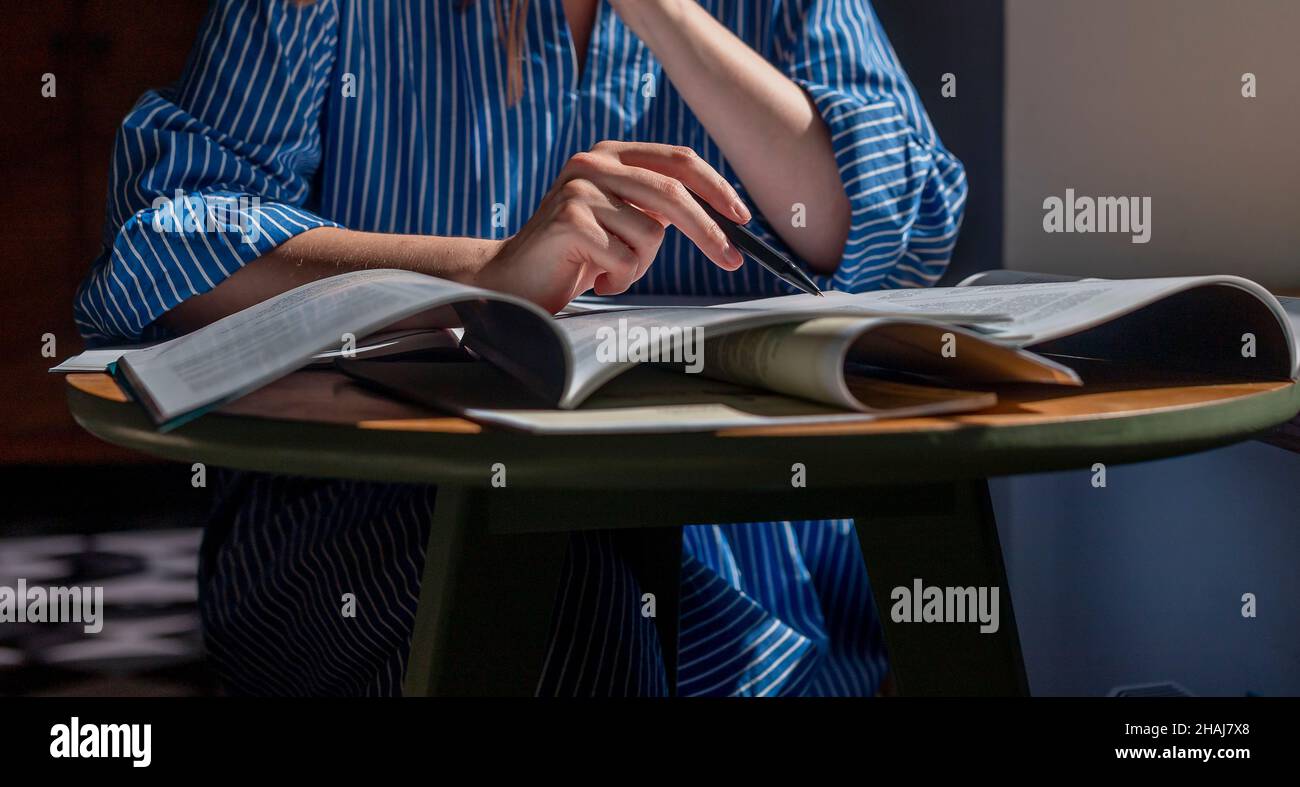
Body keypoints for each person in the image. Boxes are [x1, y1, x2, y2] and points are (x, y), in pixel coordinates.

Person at [76, 0, 966, 696]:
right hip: (374, 525)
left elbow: (911, 222)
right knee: (551, 595)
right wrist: (486, 275)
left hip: (755, 558)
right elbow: (169, 238)